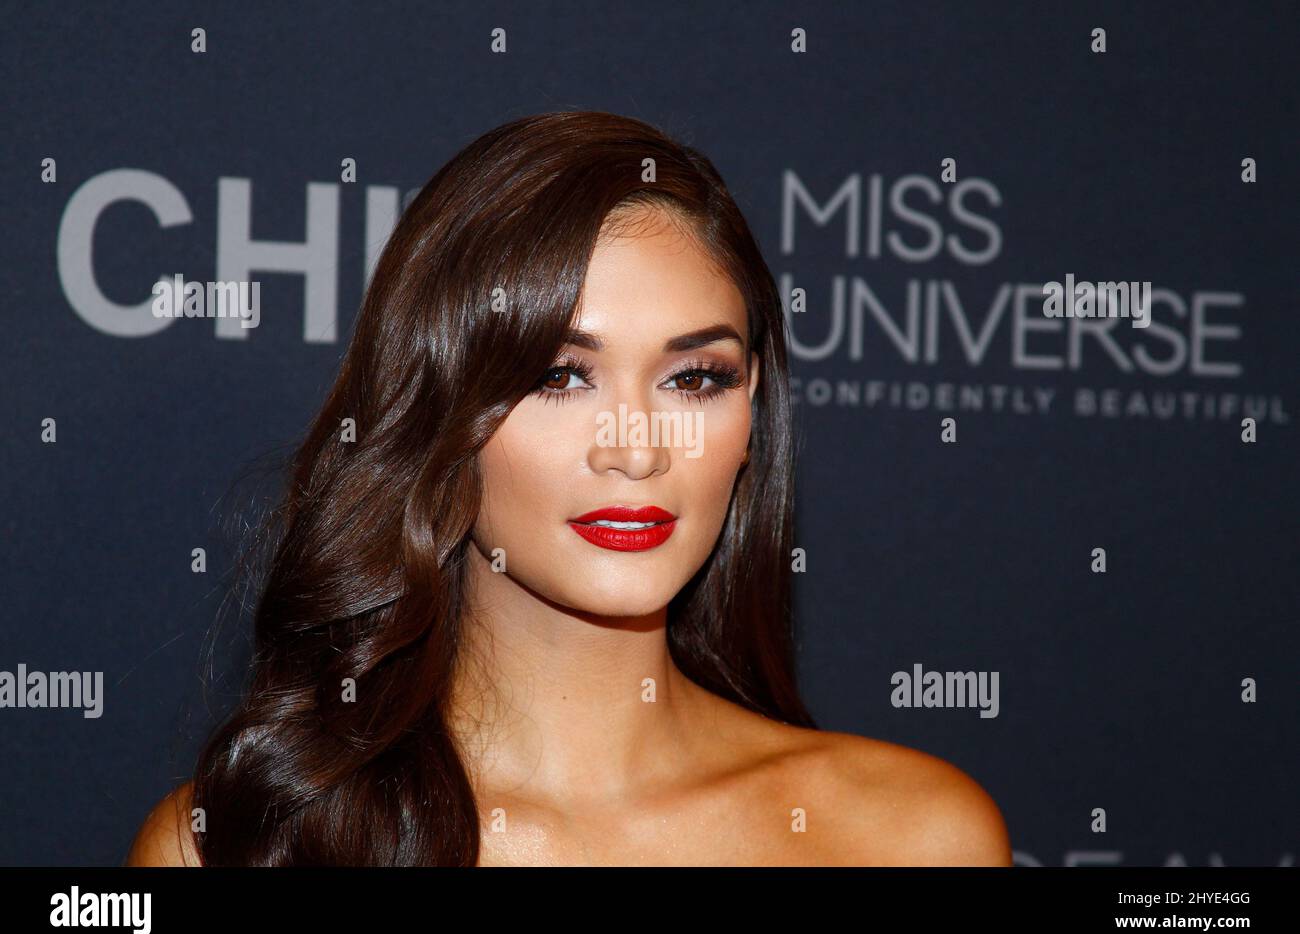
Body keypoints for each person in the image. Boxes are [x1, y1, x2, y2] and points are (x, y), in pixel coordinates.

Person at [126, 110, 1011, 866]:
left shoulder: (912, 836)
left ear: (752, 423)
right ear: (439, 413)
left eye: (694, 379)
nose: (635, 451)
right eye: (559, 376)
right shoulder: (245, 845)